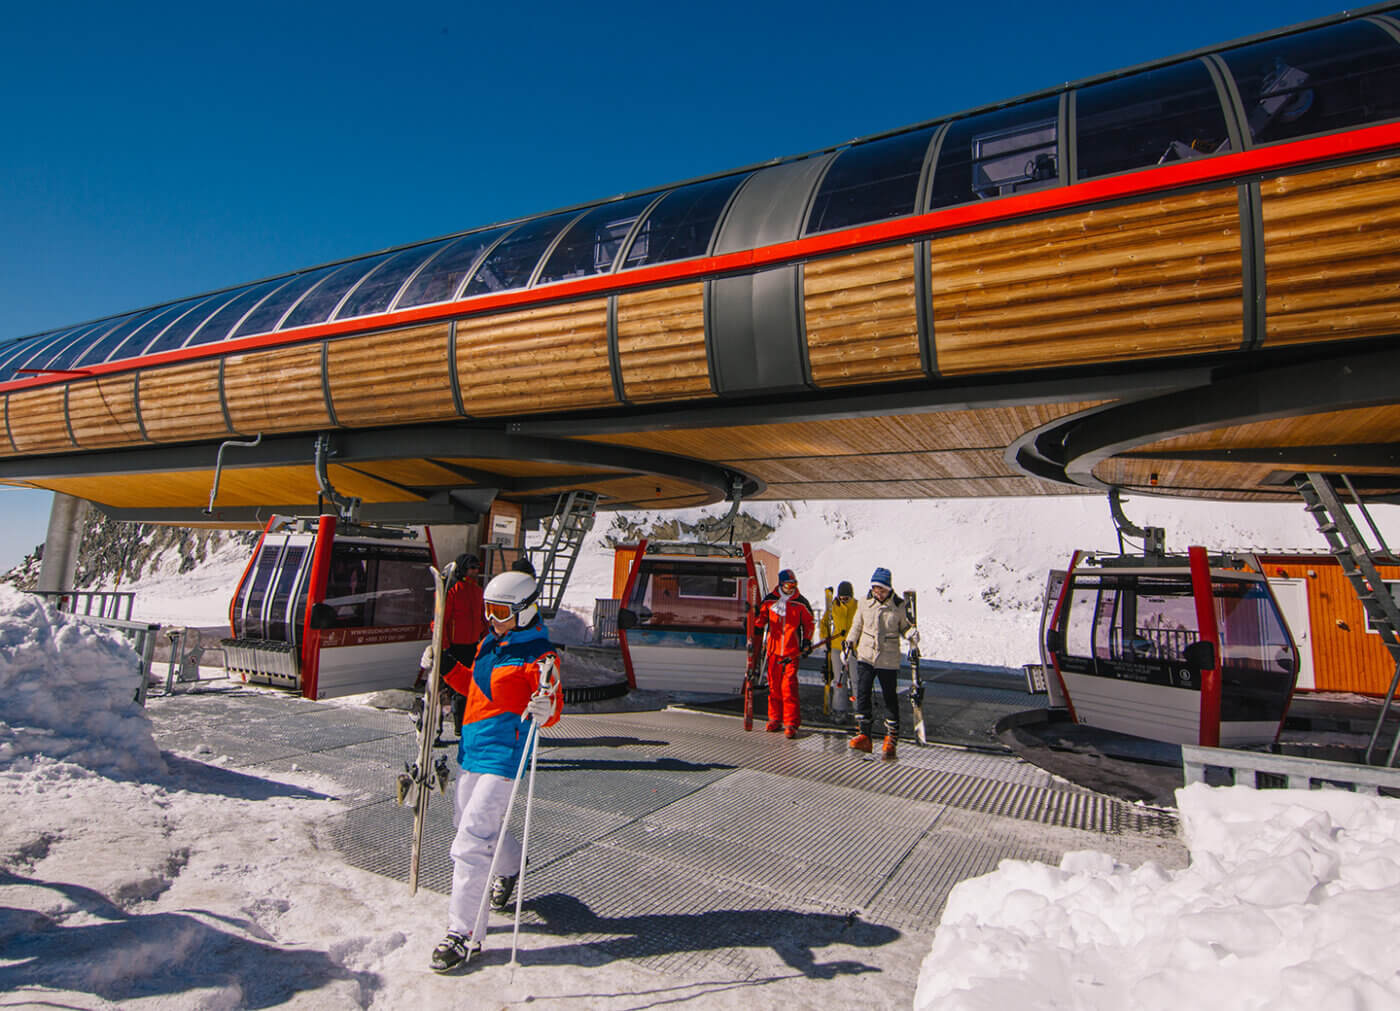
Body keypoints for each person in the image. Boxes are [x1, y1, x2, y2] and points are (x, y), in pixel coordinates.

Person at [429, 568, 563, 973]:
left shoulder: (541, 656)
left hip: (505, 755)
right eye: (489, 609)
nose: (491, 618)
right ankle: (509, 867)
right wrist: (445, 665)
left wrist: (547, 708)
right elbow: (477, 687)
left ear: (525, 610)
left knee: (473, 838)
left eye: (500, 611)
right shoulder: (493, 643)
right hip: (473, 748)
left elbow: (553, 706)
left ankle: (464, 934)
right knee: (467, 824)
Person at [843, 567, 918, 759]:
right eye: (876, 589)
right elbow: (857, 625)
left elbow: (905, 627)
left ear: (889, 588)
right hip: (866, 655)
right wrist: (849, 642)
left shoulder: (898, 606)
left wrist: (911, 634)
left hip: (888, 658)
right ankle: (864, 735)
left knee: (889, 697)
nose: (878, 593)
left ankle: (891, 738)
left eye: (882, 589)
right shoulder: (864, 603)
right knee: (863, 693)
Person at [754, 568, 815, 738]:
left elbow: (809, 624)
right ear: (781, 585)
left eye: (794, 584)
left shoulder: (800, 602)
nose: (791, 588)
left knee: (788, 688)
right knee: (774, 687)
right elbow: (761, 620)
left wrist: (806, 642)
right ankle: (774, 718)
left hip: (790, 652)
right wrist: (755, 620)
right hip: (773, 651)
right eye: (788, 585)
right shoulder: (770, 600)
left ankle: (791, 723)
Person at [820, 580, 858, 721]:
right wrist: (825, 639)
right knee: (839, 680)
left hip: (854, 648)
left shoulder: (858, 606)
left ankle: (858, 710)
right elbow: (824, 624)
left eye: (846, 598)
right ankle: (839, 710)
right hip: (837, 647)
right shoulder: (833, 607)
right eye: (841, 597)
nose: (843, 600)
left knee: (855, 680)